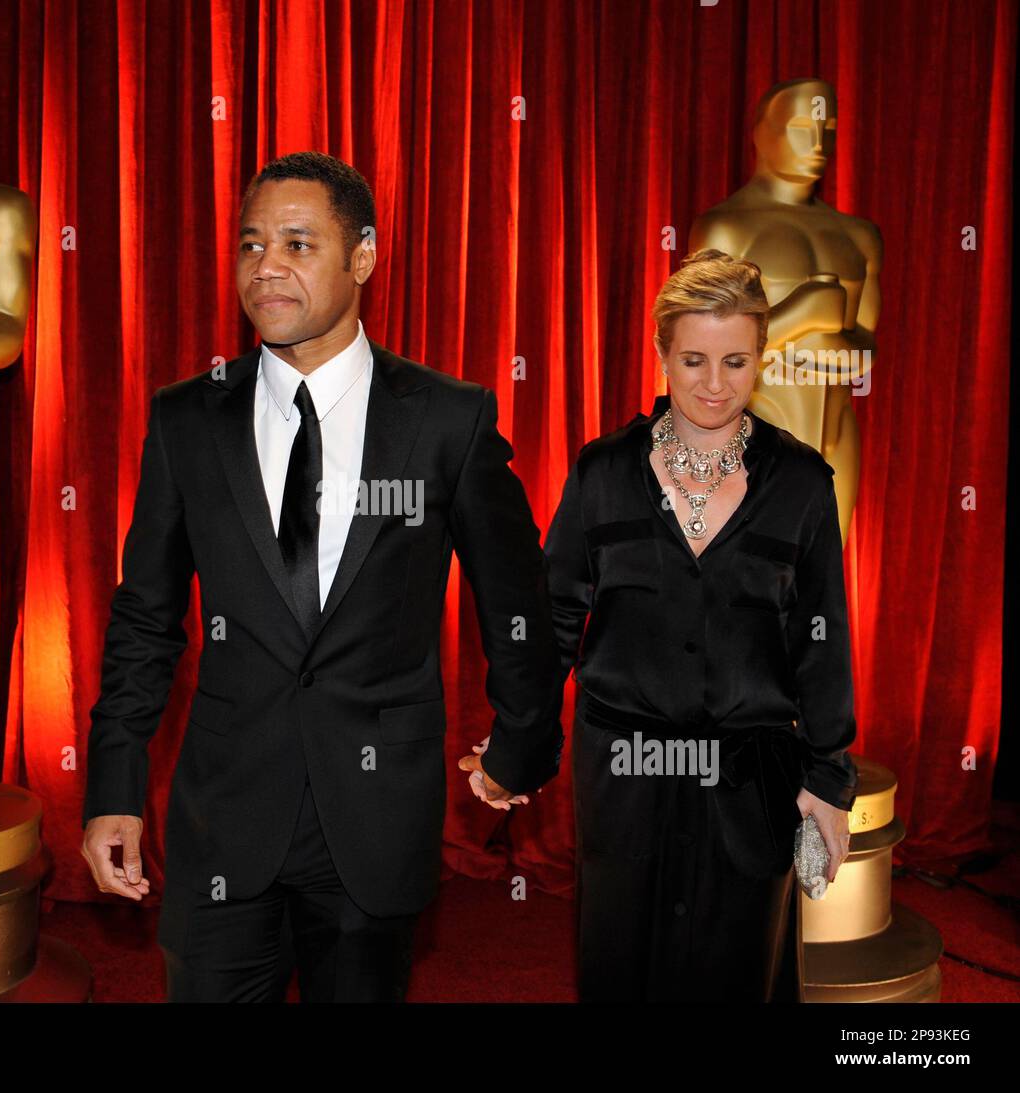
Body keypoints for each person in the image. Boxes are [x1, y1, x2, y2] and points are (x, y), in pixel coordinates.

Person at [79, 151, 563, 1002]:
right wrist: (114, 785)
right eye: (251, 243)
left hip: (375, 819)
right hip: (222, 818)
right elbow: (145, 619)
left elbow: (516, 599)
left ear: (363, 257)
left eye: (299, 243)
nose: (267, 265)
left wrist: (524, 739)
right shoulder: (188, 417)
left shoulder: (448, 419)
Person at [544, 249, 858, 1002]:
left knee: (736, 971)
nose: (714, 384)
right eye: (692, 359)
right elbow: (553, 615)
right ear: (659, 352)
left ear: (762, 360)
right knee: (622, 967)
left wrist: (830, 779)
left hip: (751, 775)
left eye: (736, 361)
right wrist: (519, 735)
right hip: (626, 766)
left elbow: (822, 637)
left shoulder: (804, 485)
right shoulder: (602, 471)